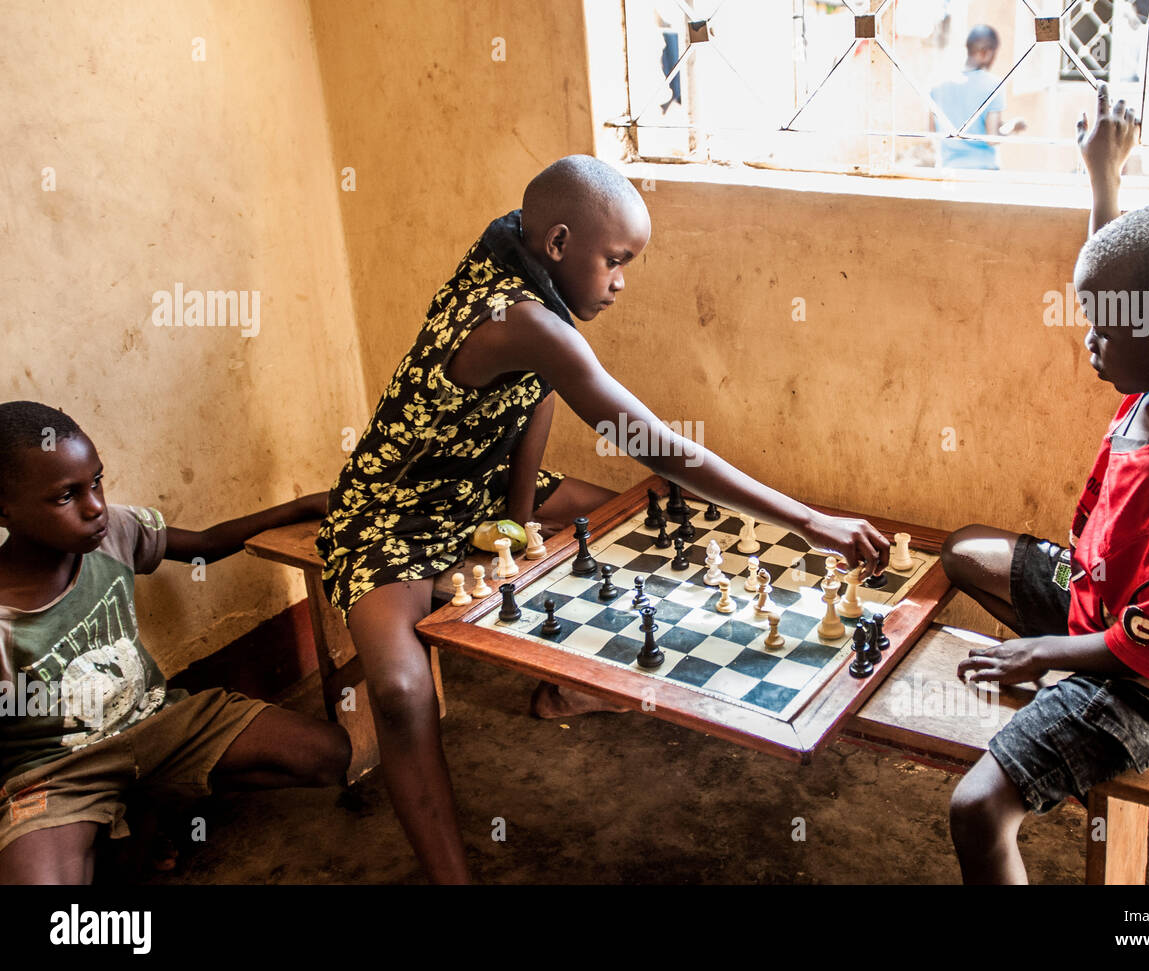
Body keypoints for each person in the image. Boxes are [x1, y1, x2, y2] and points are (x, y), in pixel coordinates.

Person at [316, 154, 892, 883]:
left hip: (481, 488)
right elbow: (655, 443)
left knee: (657, 519)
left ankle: (588, 683)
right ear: (558, 244)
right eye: (615, 261)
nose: (621, 282)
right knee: (401, 693)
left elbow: (537, 397)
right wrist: (811, 521)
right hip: (394, 513)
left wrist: (518, 525)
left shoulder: (514, 248)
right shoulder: (520, 316)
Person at [940, 86, 1149, 884]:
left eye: (1102, 329)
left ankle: (1066, 702)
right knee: (962, 553)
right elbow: (1120, 283)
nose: (1088, 342)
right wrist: (1102, 178)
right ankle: (1059, 676)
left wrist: (1044, 653)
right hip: (1112, 592)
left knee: (975, 809)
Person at [0, 400, 351, 884]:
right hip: (62, 772)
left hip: (162, 723)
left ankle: (150, 798)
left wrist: (304, 505)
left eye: (97, 482)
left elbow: (205, 545)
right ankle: (116, 816)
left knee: (331, 753)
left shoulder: (114, 531)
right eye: (66, 496)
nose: (95, 506)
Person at [929, 25, 1026, 170]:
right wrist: (1013, 126)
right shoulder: (994, 85)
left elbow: (931, 133)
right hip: (982, 172)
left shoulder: (937, 84)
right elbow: (992, 138)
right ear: (985, 52)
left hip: (947, 171)